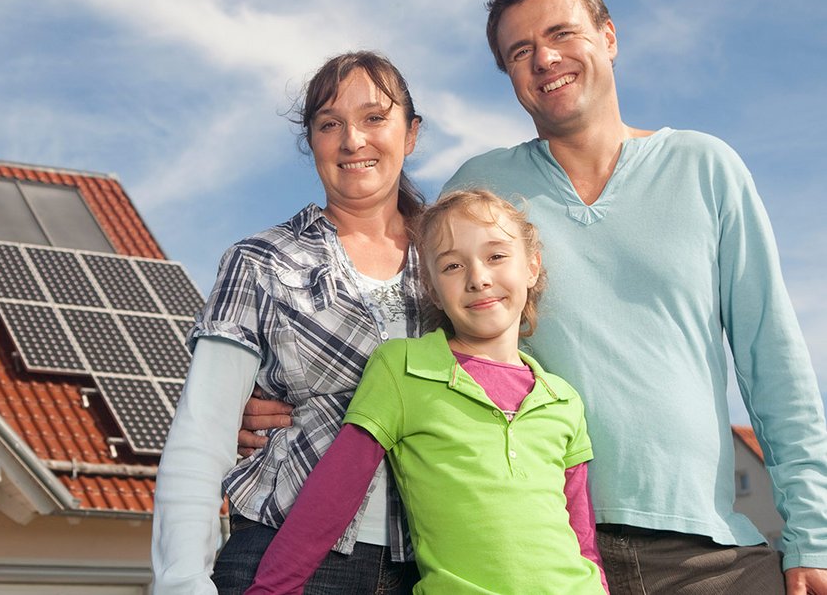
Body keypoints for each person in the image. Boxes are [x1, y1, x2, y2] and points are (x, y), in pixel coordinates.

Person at [243, 0, 827, 594]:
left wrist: (814, 534)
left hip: (703, 549)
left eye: (561, 33)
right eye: (520, 51)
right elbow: (401, 320)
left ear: (608, 37)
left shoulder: (706, 168)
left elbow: (772, 360)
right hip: (527, 554)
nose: (544, 58)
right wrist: (266, 399)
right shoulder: (482, 188)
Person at [150, 51, 432, 594]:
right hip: (285, 557)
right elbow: (203, 431)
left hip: (433, 564)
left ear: (411, 133)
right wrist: (182, 580)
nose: (352, 140)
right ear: (312, 142)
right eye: (330, 124)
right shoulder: (261, 261)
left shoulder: (455, 264)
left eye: (374, 118)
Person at [246, 189, 607, 594]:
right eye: (453, 265)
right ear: (432, 289)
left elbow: (583, 541)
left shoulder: (562, 399)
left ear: (532, 267)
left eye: (496, 256)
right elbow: (334, 493)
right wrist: (271, 588)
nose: (478, 278)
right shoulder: (402, 367)